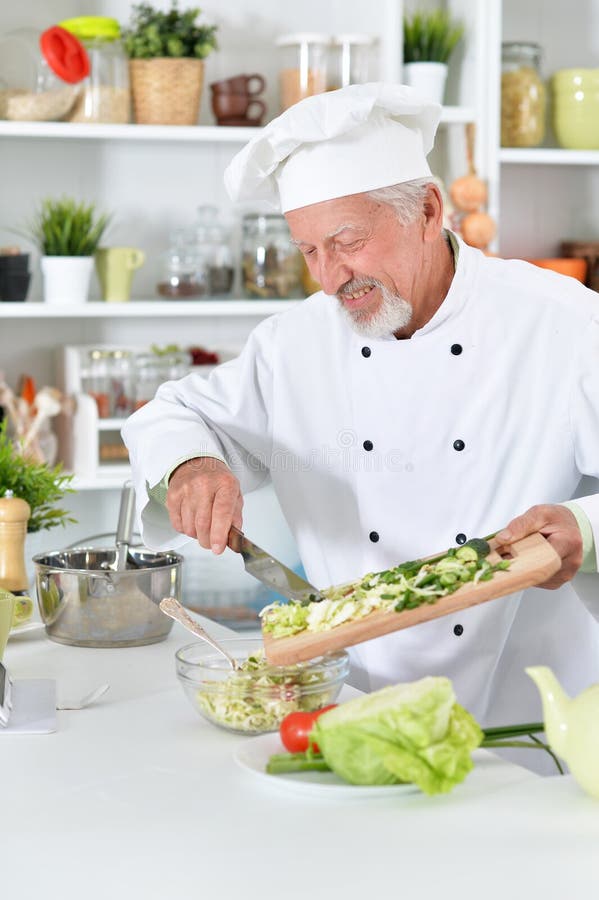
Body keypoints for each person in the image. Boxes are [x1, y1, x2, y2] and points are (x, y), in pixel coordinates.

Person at [123, 83, 599, 737]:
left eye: (346, 241)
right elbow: (174, 413)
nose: (329, 277)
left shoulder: (564, 325)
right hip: (350, 712)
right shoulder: (293, 343)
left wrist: (585, 528)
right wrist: (191, 466)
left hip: (527, 727)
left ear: (427, 211)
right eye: (308, 251)